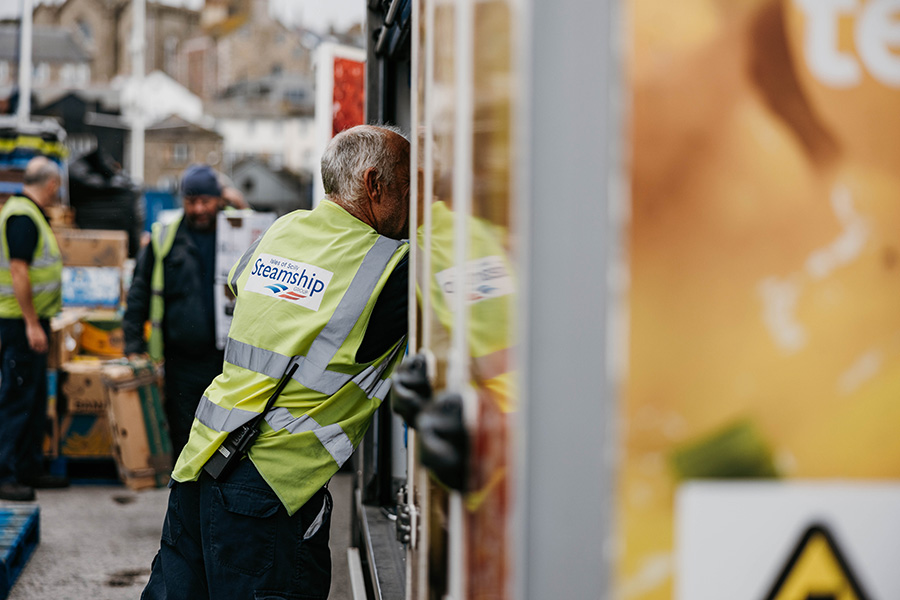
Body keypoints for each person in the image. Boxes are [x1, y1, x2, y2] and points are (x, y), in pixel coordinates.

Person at [141, 125, 411, 600]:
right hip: (268, 492)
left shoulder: (284, 229)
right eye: (412, 188)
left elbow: (237, 283)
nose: (417, 205)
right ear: (374, 184)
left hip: (201, 460)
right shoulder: (389, 268)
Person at [123, 164, 226, 457]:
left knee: (225, 437)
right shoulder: (164, 238)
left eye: (205, 201)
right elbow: (139, 293)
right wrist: (133, 345)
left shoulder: (238, 233)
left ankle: (214, 501)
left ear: (219, 199)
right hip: (181, 360)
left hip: (228, 360)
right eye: (191, 201)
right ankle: (186, 499)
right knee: (184, 434)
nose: (198, 209)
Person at [0, 156, 69, 502]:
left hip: (29, 320)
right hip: (19, 322)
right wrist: (31, 324)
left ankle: (28, 468)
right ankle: (6, 475)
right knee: (17, 397)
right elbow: (18, 270)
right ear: (52, 184)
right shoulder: (23, 216)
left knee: (34, 398)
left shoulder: (26, 212)